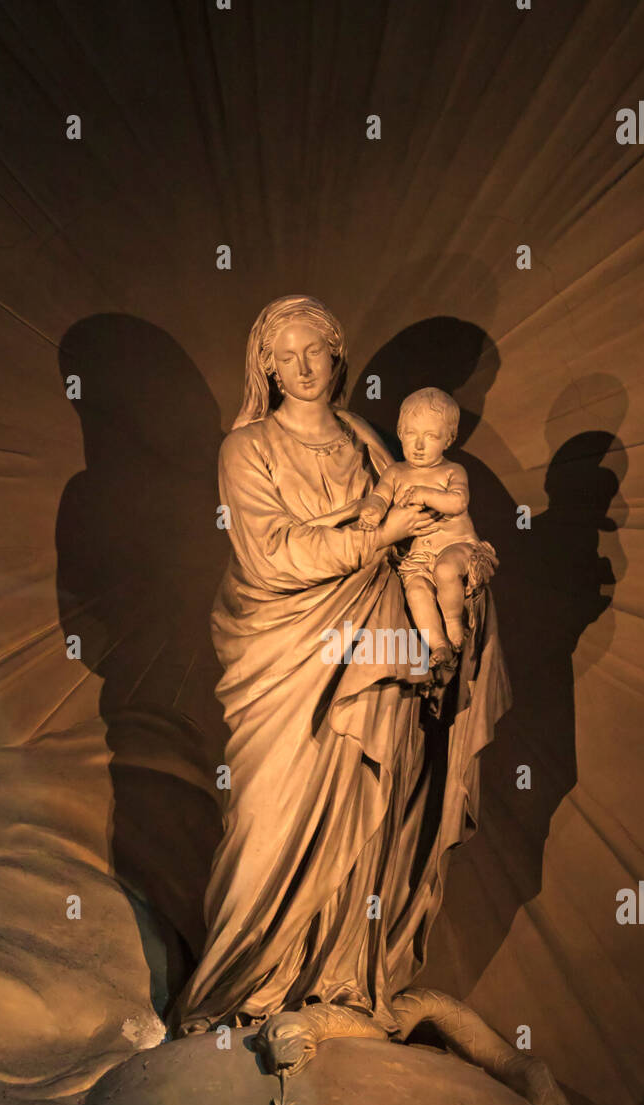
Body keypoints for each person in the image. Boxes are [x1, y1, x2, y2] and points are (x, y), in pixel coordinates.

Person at [169, 295, 510, 1038]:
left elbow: (430, 530)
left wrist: (463, 567)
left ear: (336, 353)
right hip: (283, 656)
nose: (301, 369)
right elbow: (271, 554)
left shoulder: (363, 436)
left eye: (313, 352)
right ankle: (231, 994)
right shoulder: (247, 448)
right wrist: (375, 535)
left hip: (371, 648)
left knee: (367, 800)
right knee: (269, 818)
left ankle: (336, 984)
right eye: (283, 358)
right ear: (265, 368)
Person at [355, 387, 498, 669]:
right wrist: (373, 509)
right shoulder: (396, 472)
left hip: (457, 546)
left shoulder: (452, 471)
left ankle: (454, 623)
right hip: (419, 558)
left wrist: (425, 494)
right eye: (411, 434)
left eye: (430, 436)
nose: (419, 445)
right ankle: (439, 645)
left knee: (446, 571)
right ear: (399, 431)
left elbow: (458, 502)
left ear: (449, 439)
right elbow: (381, 495)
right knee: (416, 591)